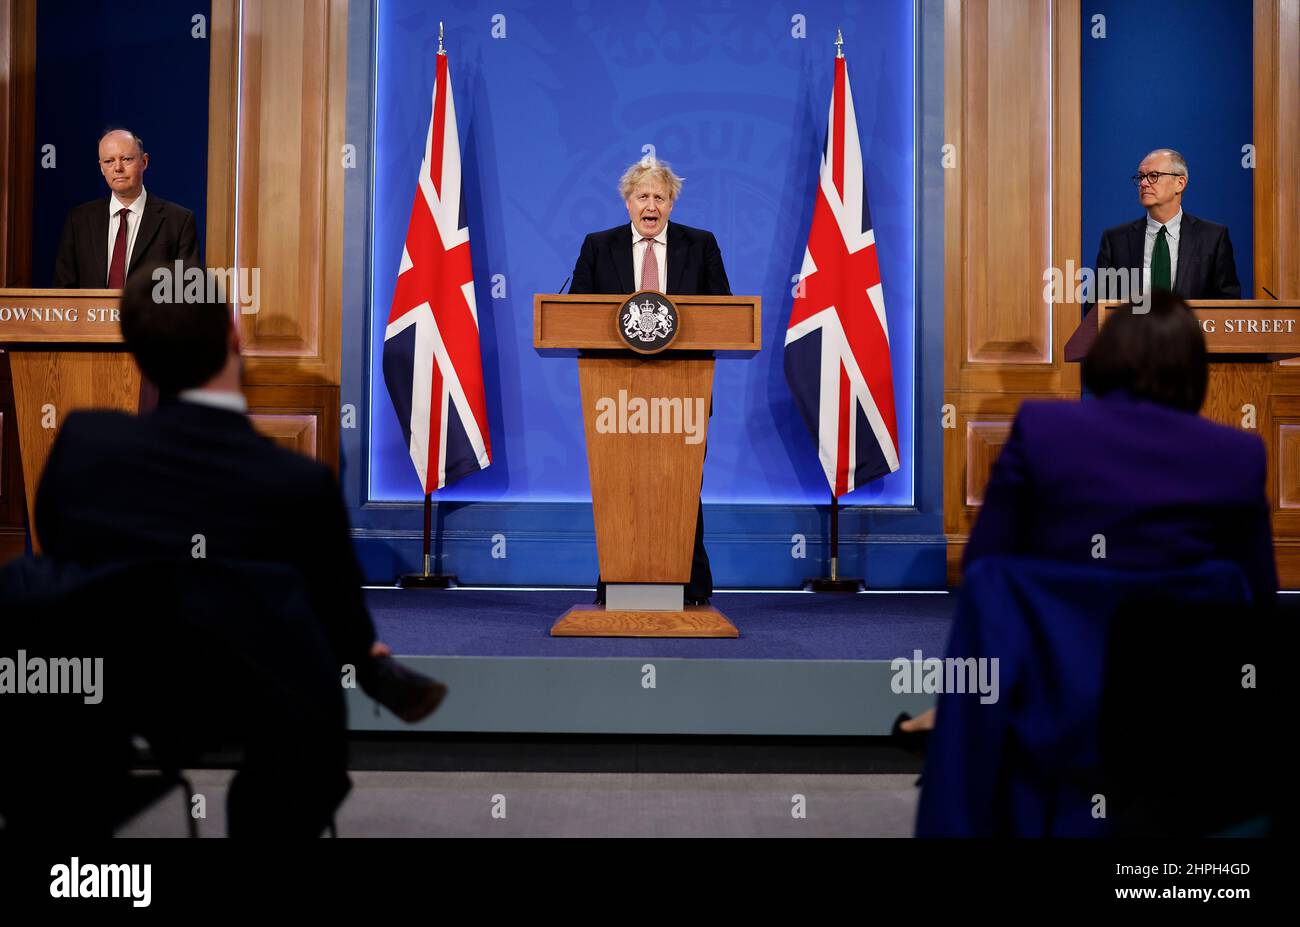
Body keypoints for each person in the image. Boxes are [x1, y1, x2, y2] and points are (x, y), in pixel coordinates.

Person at [29, 267, 447, 832]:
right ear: (233, 336)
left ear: (135, 351)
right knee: (309, 692)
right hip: (254, 697)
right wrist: (363, 655)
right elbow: (339, 621)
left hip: (113, 691)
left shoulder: (84, 443)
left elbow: (61, 557)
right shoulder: (298, 482)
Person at [898, 291, 1276, 742]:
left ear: (1105, 355)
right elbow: (1256, 599)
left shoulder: (1042, 428)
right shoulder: (1237, 454)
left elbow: (985, 566)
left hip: (1048, 699)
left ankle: (957, 720)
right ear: (1195, 369)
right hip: (1186, 714)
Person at [568, 158, 729, 605]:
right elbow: (577, 313)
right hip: (615, 395)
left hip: (685, 392)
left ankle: (690, 587)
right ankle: (617, 582)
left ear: (672, 203)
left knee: (680, 486)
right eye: (643, 196)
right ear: (627, 202)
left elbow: (724, 312)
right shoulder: (599, 247)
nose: (651, 205)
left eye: (660, 196)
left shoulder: (701, 246)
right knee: (618, 486)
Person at [52, 128, 200, 288]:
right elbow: (63, 292)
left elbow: (186, 295)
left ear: (144, 162)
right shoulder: (79, 220)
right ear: (101, 168)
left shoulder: (178, 221)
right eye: (109, 161)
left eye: (127, 159)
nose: (118, 168)